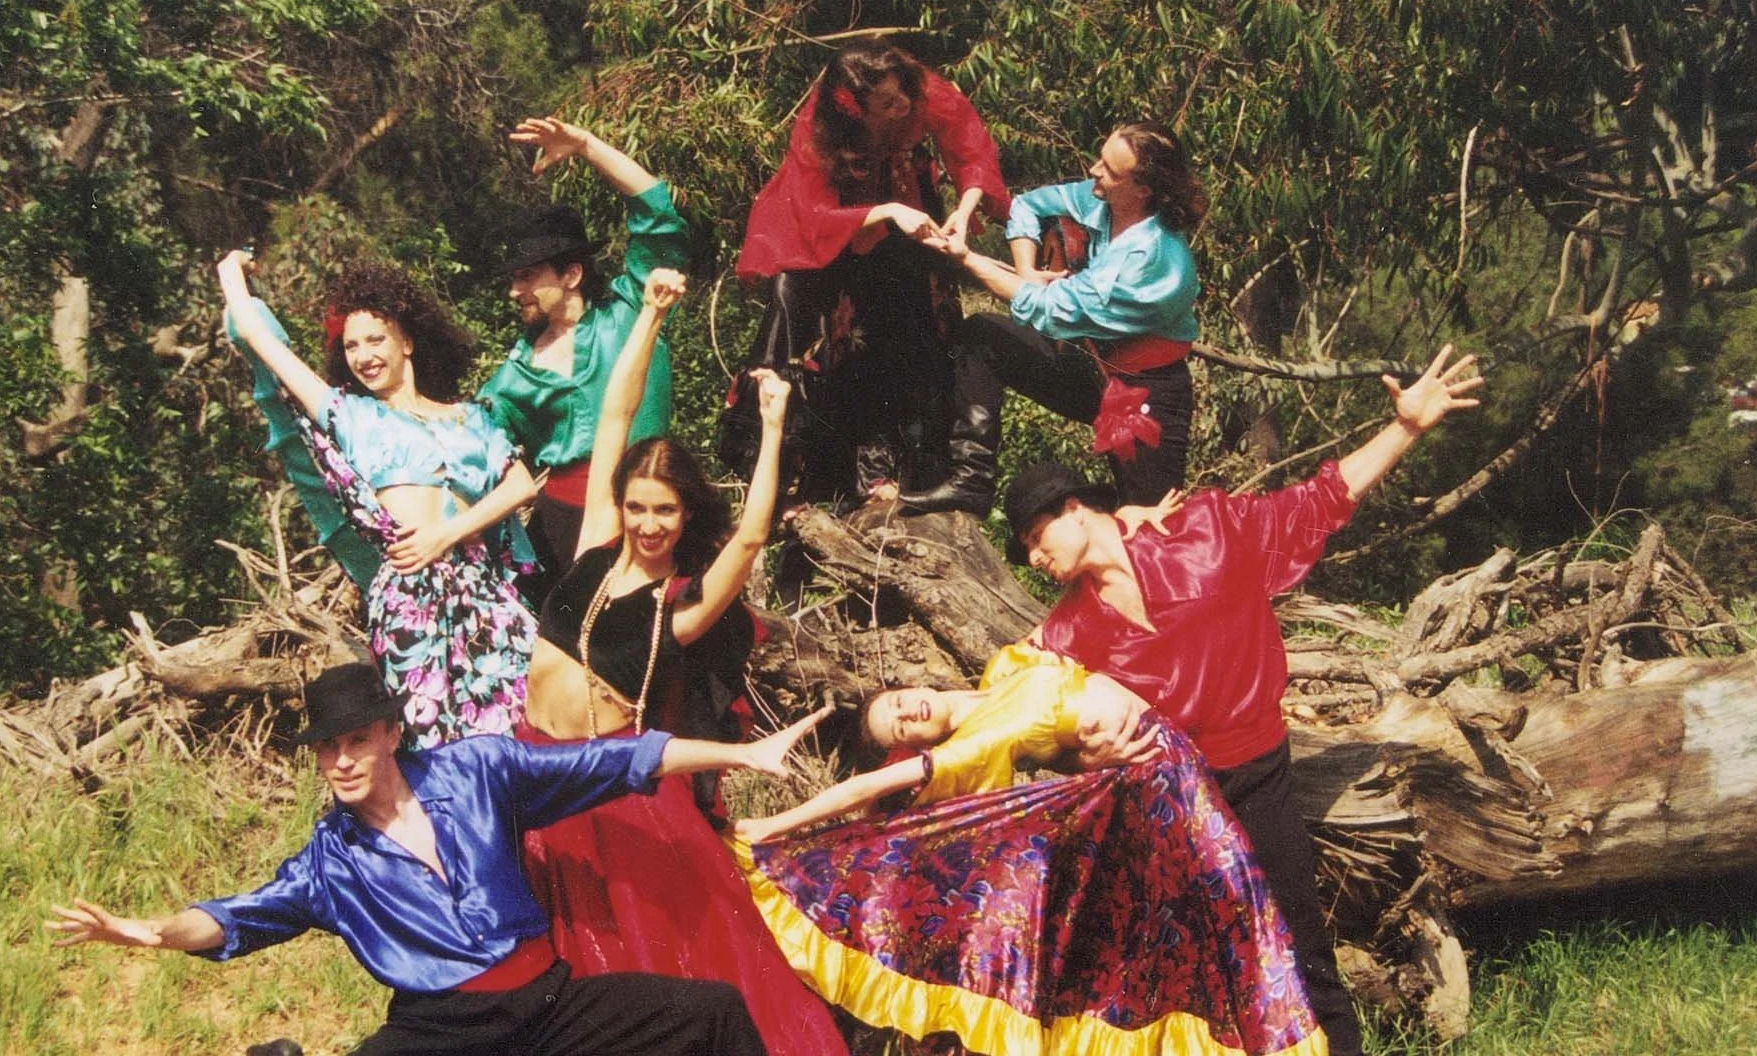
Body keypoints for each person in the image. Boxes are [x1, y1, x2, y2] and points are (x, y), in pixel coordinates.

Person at [1002, 345, 1487, 1056]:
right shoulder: (1069, 628)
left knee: (1301, 950)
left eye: (1036, 538)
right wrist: (1080, 755)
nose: (1035, 558)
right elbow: (1012, 714)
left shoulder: (1206, 529)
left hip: (1259, 780)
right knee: (1190, 981)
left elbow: (1320, 500)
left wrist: (1407, 427)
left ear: (1076, 510)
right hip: (1171, 806)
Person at [47, 658, 830, 1055]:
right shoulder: (330, 863)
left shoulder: (477, 771)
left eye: (357, 740)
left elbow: (615, 760)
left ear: (392, 734)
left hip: (549, 1005)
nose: (342, 761)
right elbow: (235, 917)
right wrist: (153, 933)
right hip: (443, 1033)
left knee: (712, 1014)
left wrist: (740, 753)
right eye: (327, 748)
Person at [515, 269, 848, 1054]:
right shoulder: (596, 543)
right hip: (532, 764)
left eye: (664, 510)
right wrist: (651, 316)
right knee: (545, 953)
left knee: (648, 952)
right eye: (637, 506)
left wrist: (772, 427)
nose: (647, 523)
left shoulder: (683, 607)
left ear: (685, 512)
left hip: (608, 788)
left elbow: (753, 536)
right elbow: (615, 413)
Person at [731, 641, 1327, 1056]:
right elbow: (865, 788)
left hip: (1168, 767)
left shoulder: (1003, 673)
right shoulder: (974, 744)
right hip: (1157, 785)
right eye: (902, 729)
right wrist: (775, 825)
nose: (909, 713)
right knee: (1227, 921)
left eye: (897, 704)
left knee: (1223, 922)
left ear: (906, 686)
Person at [220, 251, 540, 750]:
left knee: (520, 726)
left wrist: (446, 535)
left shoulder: (470, 417)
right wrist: (230, 273)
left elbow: (520, 485)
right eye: (351, 346)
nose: (363, 355)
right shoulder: (349, 416)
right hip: (409, 599)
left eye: (375, 340)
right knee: (428, 740)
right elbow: (260, 340)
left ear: (407, 342)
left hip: (483, 592)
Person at [732, 38, 1011, 514]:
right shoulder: (818, 131)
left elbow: (972, 150)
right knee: (843, 340)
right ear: (854, 109)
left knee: (921, 330)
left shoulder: (920, 90)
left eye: (902, 94)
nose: (901, 105)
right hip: (841, 231)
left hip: (913, 216)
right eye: (885, 104)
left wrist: (964, 212)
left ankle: (917, 477)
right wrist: (884, 211)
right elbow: (812, 216)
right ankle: (809, 476)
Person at [928, 120, 1207, 504]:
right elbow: (1026, 206)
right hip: (1092, 366)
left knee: (1148, 517)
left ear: (1143, 189)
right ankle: (969, 481)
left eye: (1109, 170)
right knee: (983, 334)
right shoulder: (1101, 200)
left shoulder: (1152, 259)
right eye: (1100, 158)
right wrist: (1027, 271)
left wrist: (968, 260)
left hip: (1149, 391)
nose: (1094, 170)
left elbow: (1050, 310)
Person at [478, 118, 690, 597]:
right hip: (560, 530)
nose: (514, 290)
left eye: (528, 276)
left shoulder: (633, 311)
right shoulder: (511, 377)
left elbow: (657, 212)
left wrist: (587, 146)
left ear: (571, 275)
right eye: (513, 278)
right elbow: (470, 452)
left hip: (652, 511)